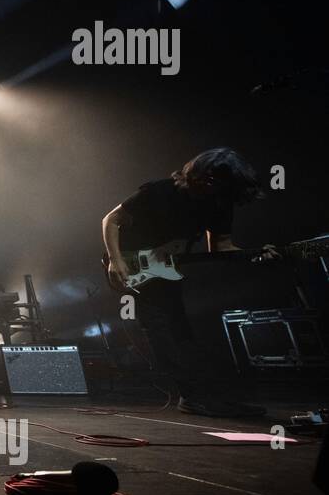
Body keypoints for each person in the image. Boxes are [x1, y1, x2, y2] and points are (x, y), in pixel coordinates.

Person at [101, 147, 277, 417]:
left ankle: (204, 396)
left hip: (168, 269)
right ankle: (194, 396)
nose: (217, 191)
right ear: (203, 177)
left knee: (182, 333)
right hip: (134, 266)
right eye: (213, 183)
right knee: (161, 330)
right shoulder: (159, 191)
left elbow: (221, 247)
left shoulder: (219, 204)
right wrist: (116, 260)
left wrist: (253, 255)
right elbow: (111, 219)